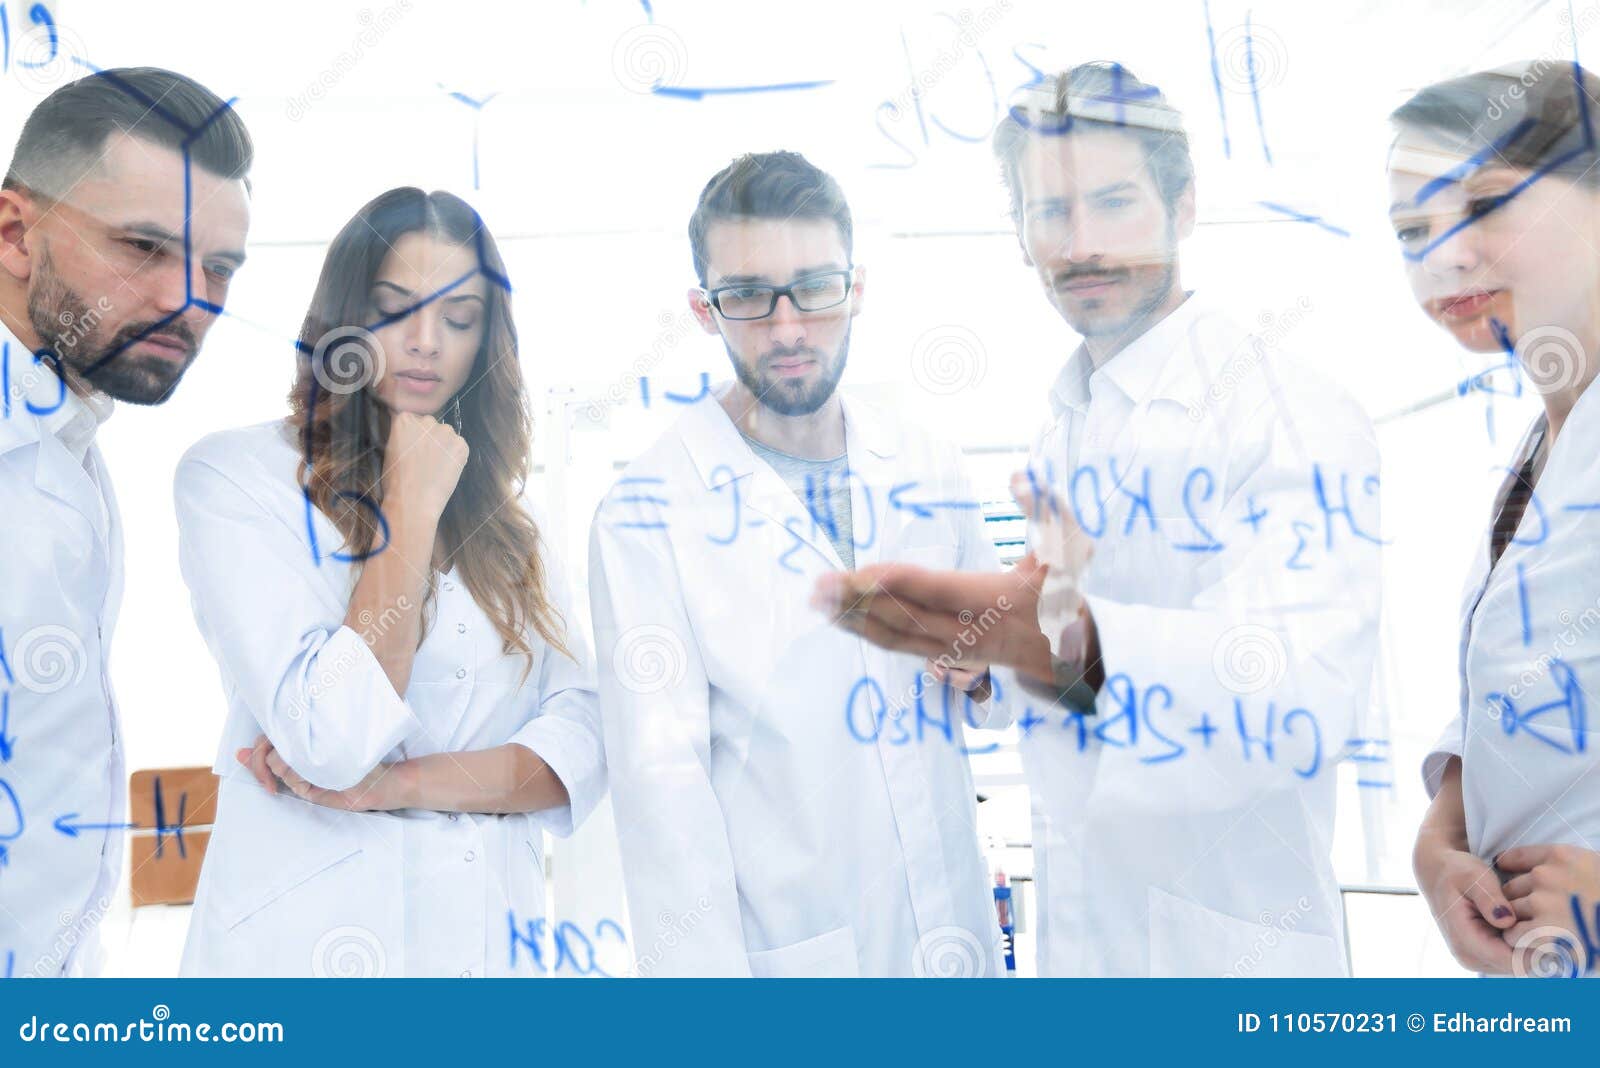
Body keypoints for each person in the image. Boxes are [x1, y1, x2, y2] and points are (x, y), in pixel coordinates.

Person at [814, 63, 1383, 976]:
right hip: (1089, 955)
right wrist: (991, 669)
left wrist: (1065, 643)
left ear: (1184, 205)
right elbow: (1069, 680)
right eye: (1050, 213)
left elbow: (1295, 700)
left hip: (1228, 960)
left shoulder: (1281, 412)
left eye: (1115, 203)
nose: (1080, 245)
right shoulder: (1070, 421)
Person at [589, 151, 1007, 977]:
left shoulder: (927, 462)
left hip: (954, 940)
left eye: (814, 288)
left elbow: (1007, 675)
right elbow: (666, 812)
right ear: (704, 311)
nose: (787, 329)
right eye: (748, 296)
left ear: (856, 289)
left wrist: (989, 671)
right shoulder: (647, 516)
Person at [174, 188, 604, 977]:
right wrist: (408, 507)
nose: (425, 343)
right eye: (395, 308)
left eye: (460, 319)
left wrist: (395, 784)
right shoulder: (237, 479)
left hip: (482, 953)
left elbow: (579, 744)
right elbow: (333, 740)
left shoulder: (516, 523)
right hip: (302, 958)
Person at [0, 67, 252, 977]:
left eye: (219, 267)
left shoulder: (66, 443)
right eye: (143, 247)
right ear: (15, 233)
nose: (190, 300)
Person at [1396, 60, 1600, 979]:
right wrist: (1439, 844)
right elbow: (1522, 692)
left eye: (1483, 205)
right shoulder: (1537, 452)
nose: (1443, 255)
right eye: (1413, 229)